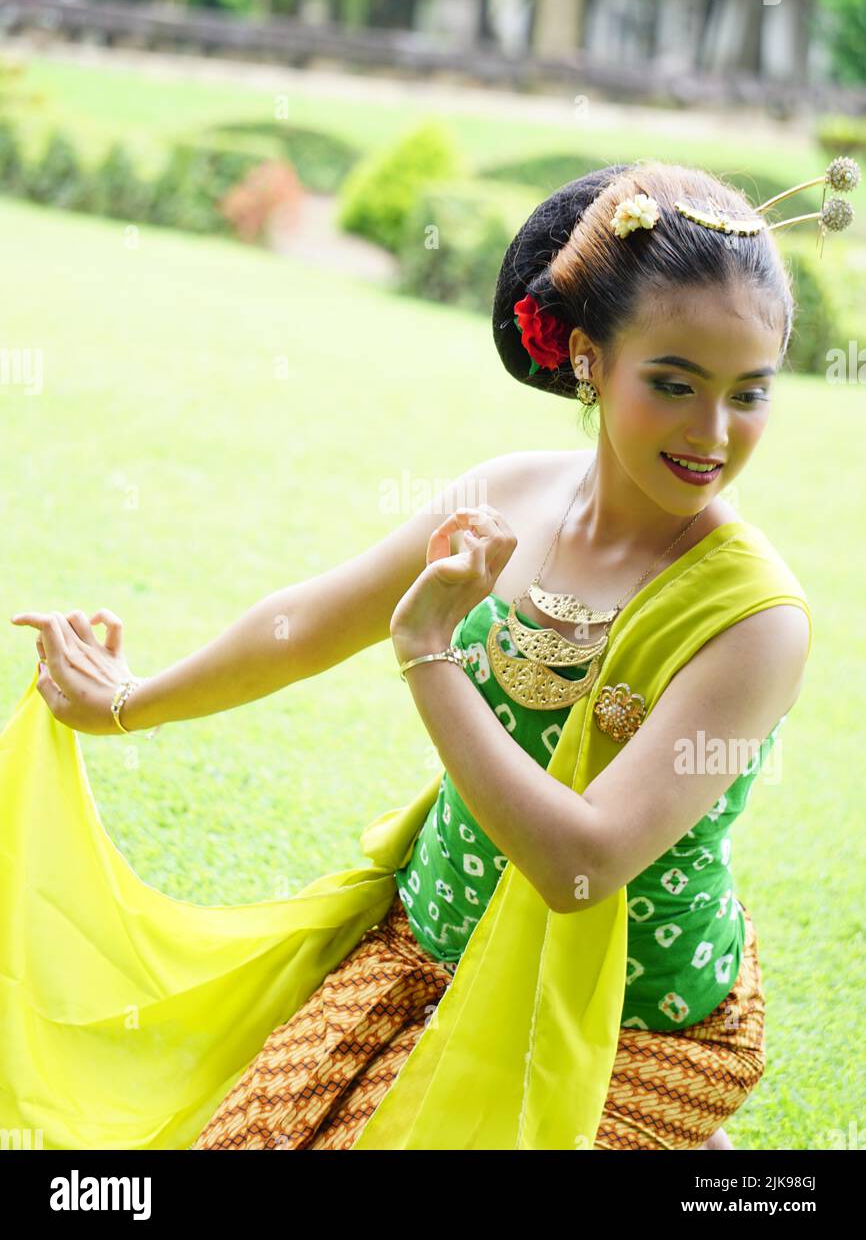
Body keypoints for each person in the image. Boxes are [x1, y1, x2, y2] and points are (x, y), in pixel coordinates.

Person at [7, 157, 855, 1151]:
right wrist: (125, 700)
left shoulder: (752, 618)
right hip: (426, 950)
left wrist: (426, 652)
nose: (712, 433)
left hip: (621, 1020)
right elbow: (307, 623)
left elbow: (579, 867)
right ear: (587, 359)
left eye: (747, 394)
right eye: (672, 384)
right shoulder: (510, 494)